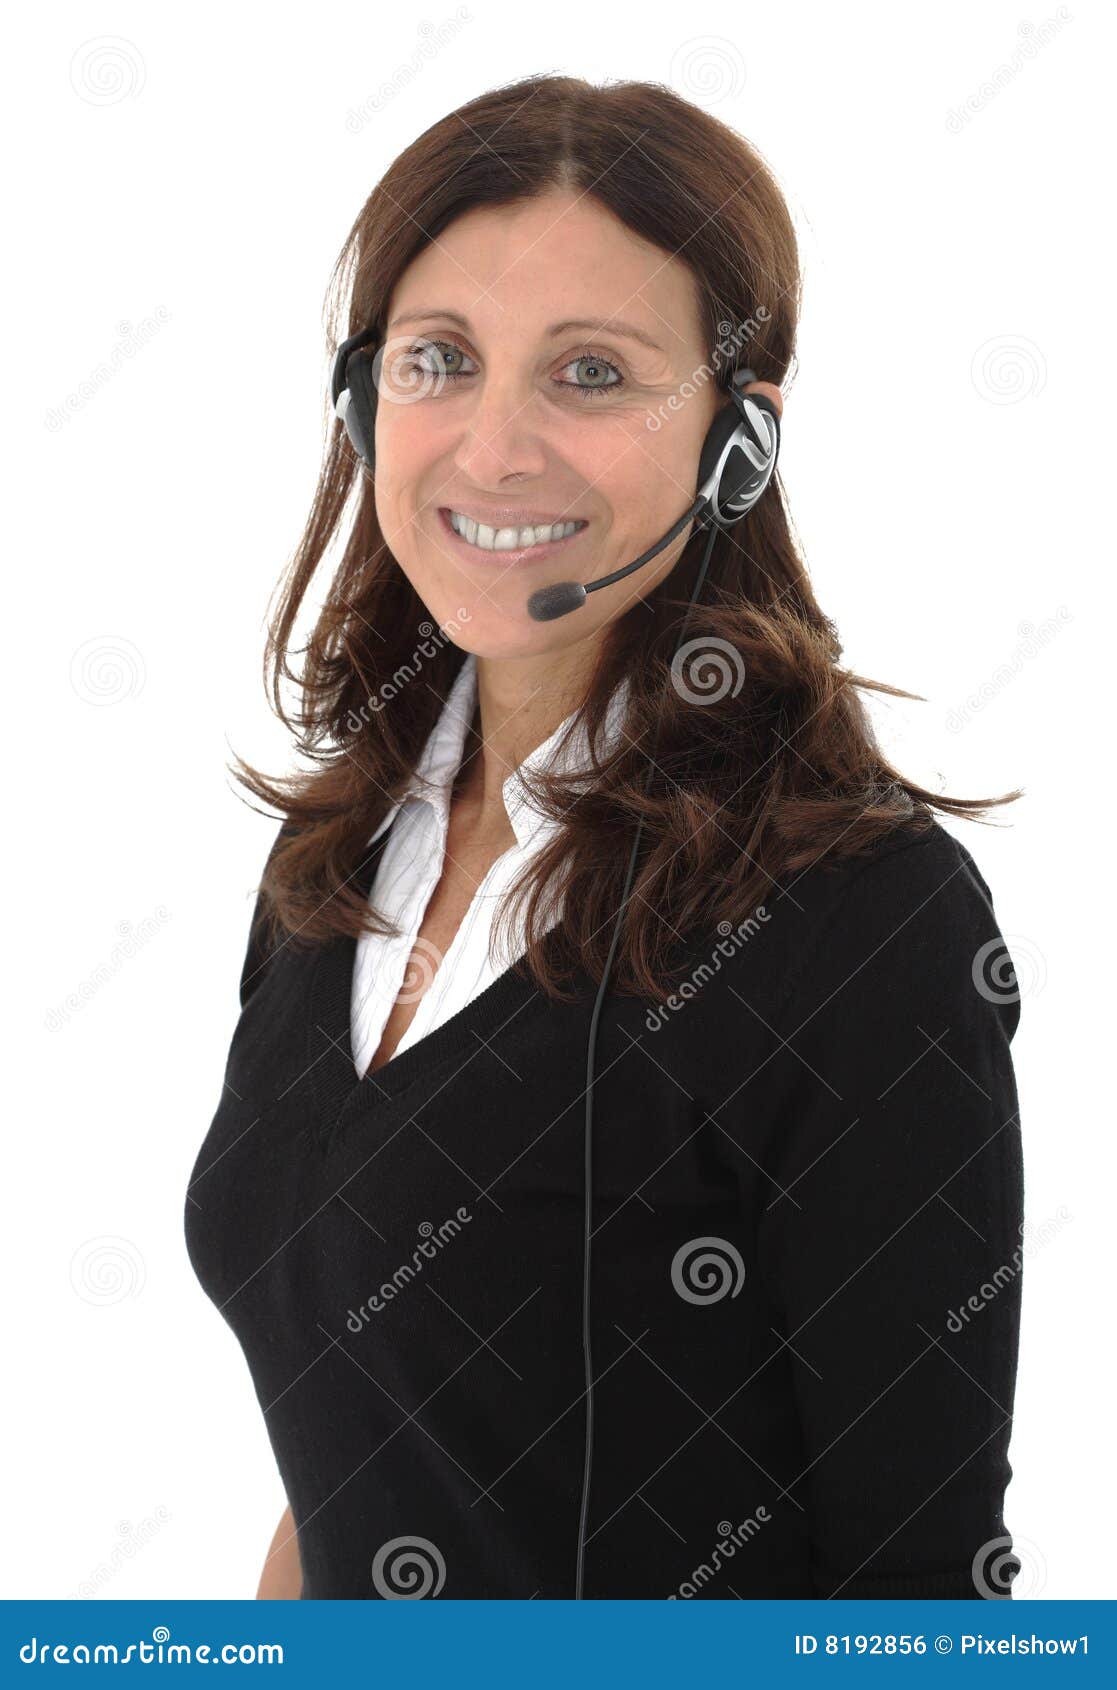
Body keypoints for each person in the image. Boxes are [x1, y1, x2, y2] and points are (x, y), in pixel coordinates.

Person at [185, 73, 1025, 1601]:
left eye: (590, 373)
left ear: (737, 440)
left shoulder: (857, 919)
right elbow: (356, 1451)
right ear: (362, 401)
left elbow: (922, 1598)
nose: (494, 447)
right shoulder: (338, 859)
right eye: (439, 360)